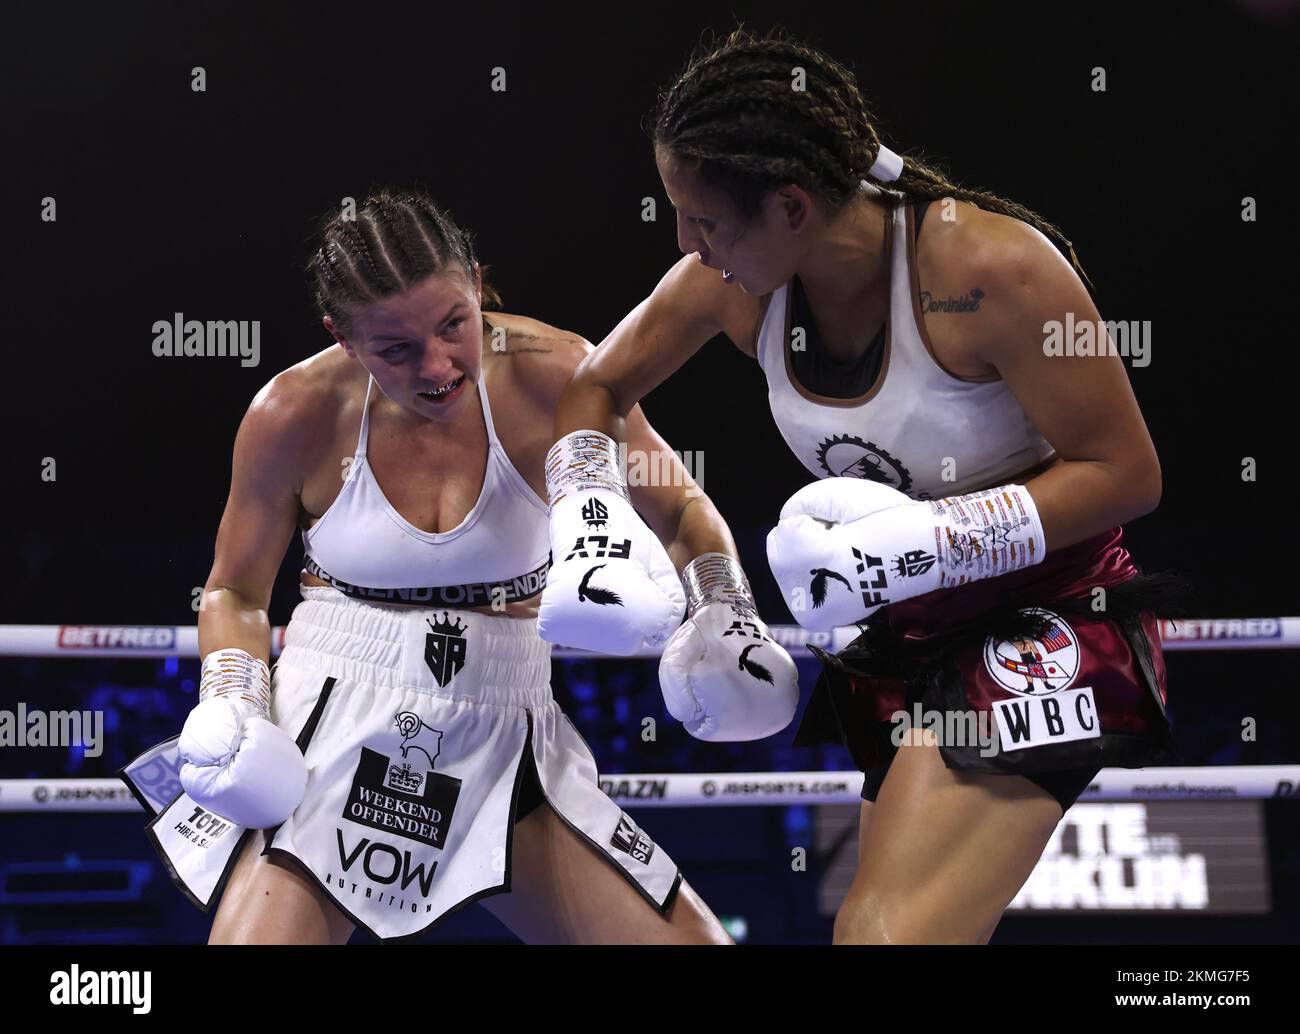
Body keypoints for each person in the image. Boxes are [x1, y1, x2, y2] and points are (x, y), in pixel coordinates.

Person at [540, 27, 1180, 944]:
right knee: (880, 933)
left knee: (887, 939)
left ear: (792, 206)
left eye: (706, 218)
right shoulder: (733, 284)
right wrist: (606, 525)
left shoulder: (987, 271)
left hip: (1046, 620)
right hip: (902, 632)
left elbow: (1128, 474)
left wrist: (941, 537)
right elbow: (595, 387)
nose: (685, 241)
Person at [129, 188, 801, 944]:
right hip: (334, 722)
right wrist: (234, 698)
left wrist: (725, 609)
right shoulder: (294, 414)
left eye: (455, 324)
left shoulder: (560, 375)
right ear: (342, 337)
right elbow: (235, 590)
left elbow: (679, 510)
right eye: (396, 348)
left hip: (509, 725)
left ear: (479, 283)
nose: (439, 364)